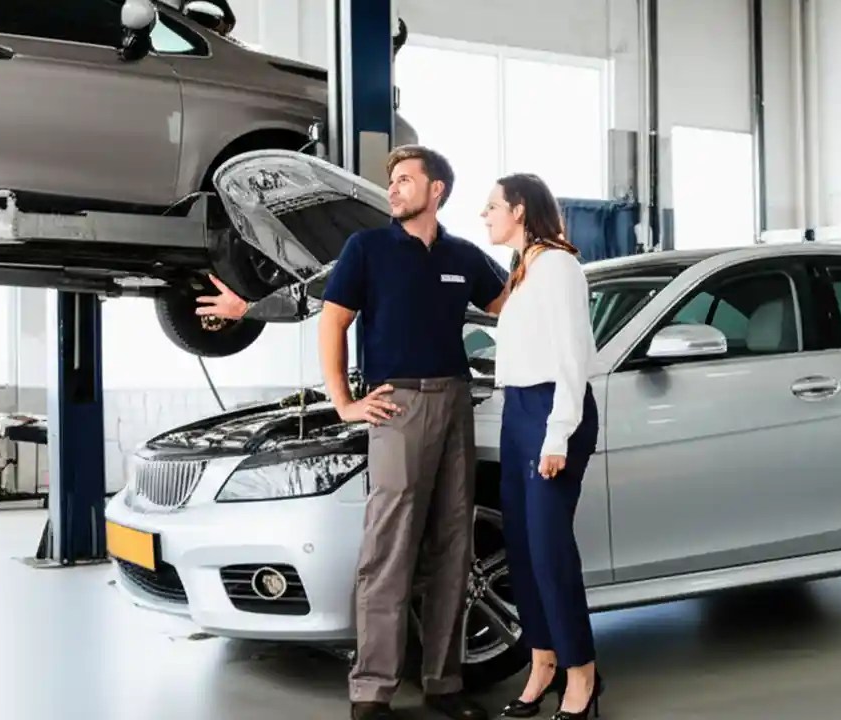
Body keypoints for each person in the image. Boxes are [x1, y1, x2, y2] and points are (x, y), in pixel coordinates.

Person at [194, 146, 509, 720]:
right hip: (396, 404)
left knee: (453, 547)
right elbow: (332, 320)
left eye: (405, 179)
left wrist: (542, 255)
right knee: (388, 551)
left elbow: (511, 304)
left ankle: (444, 682)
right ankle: (372, 691)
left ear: (437, 190)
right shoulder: (365, 249)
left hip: (456, 402)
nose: (393, 188)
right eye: (390, 180)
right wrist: (343, 402)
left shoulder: (465, 256)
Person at [480, 174, 603, 720]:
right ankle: (543, 665)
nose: (484, 216)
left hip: (553, 411)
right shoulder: (523, 270)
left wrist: (558, 434)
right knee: (525, 552)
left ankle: (582, 675)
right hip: (518, 411)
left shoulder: (558, 266)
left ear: (521, 210)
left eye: (491, 207)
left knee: (550, 552)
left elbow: (574, 357)